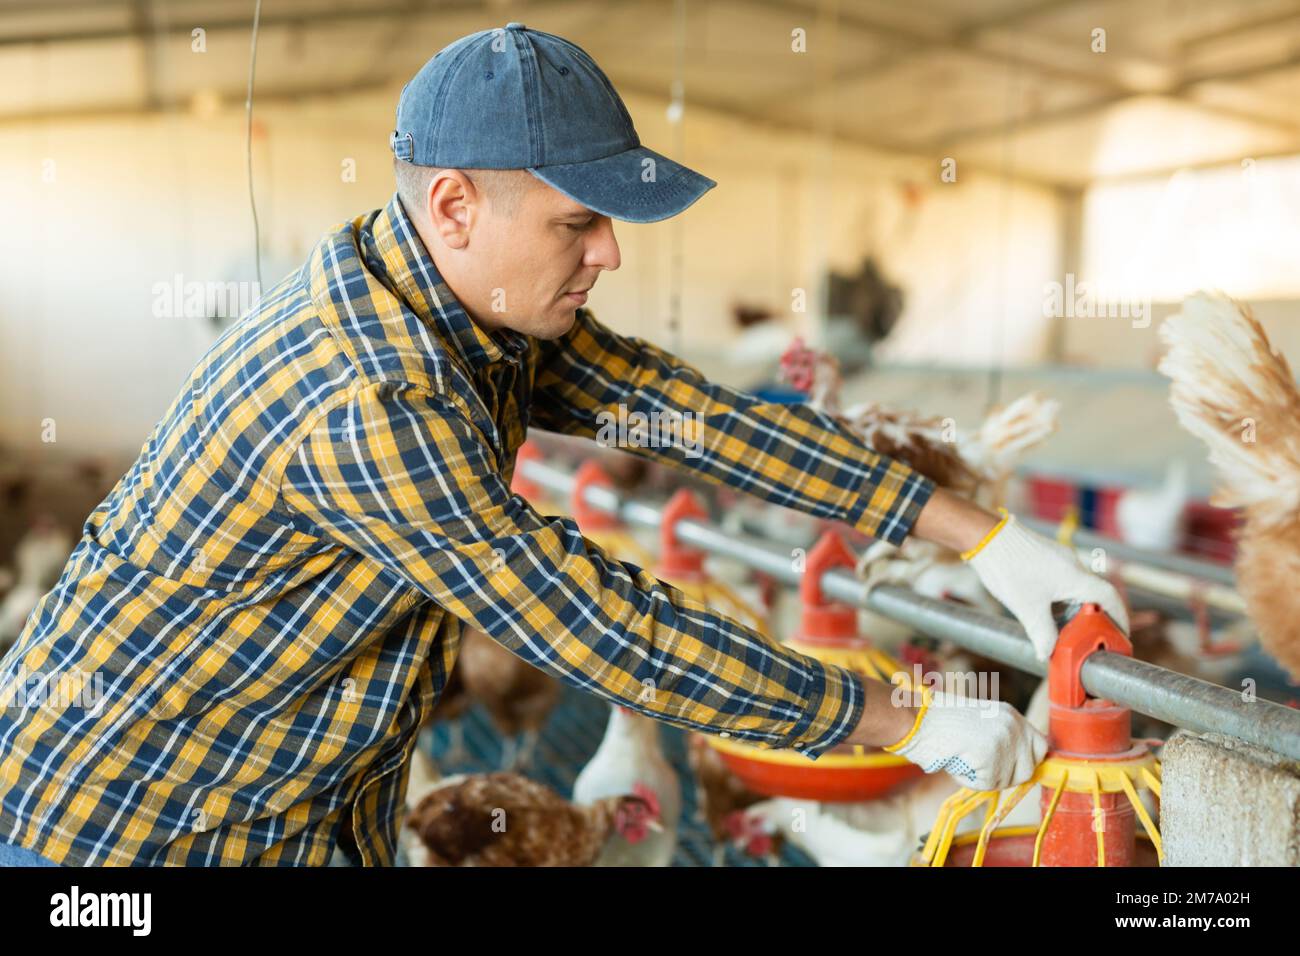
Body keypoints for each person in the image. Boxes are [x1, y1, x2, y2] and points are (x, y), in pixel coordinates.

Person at [0, 23, 1125, 867]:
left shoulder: (459, 304)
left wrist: (984, 539)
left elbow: (689, 415)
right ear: (453, 207)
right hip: (122, 833)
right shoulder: (367, 391)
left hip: (291, 799)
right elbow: (588, 618)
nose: (607, 255)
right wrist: (907, 719)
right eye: (575, 222)